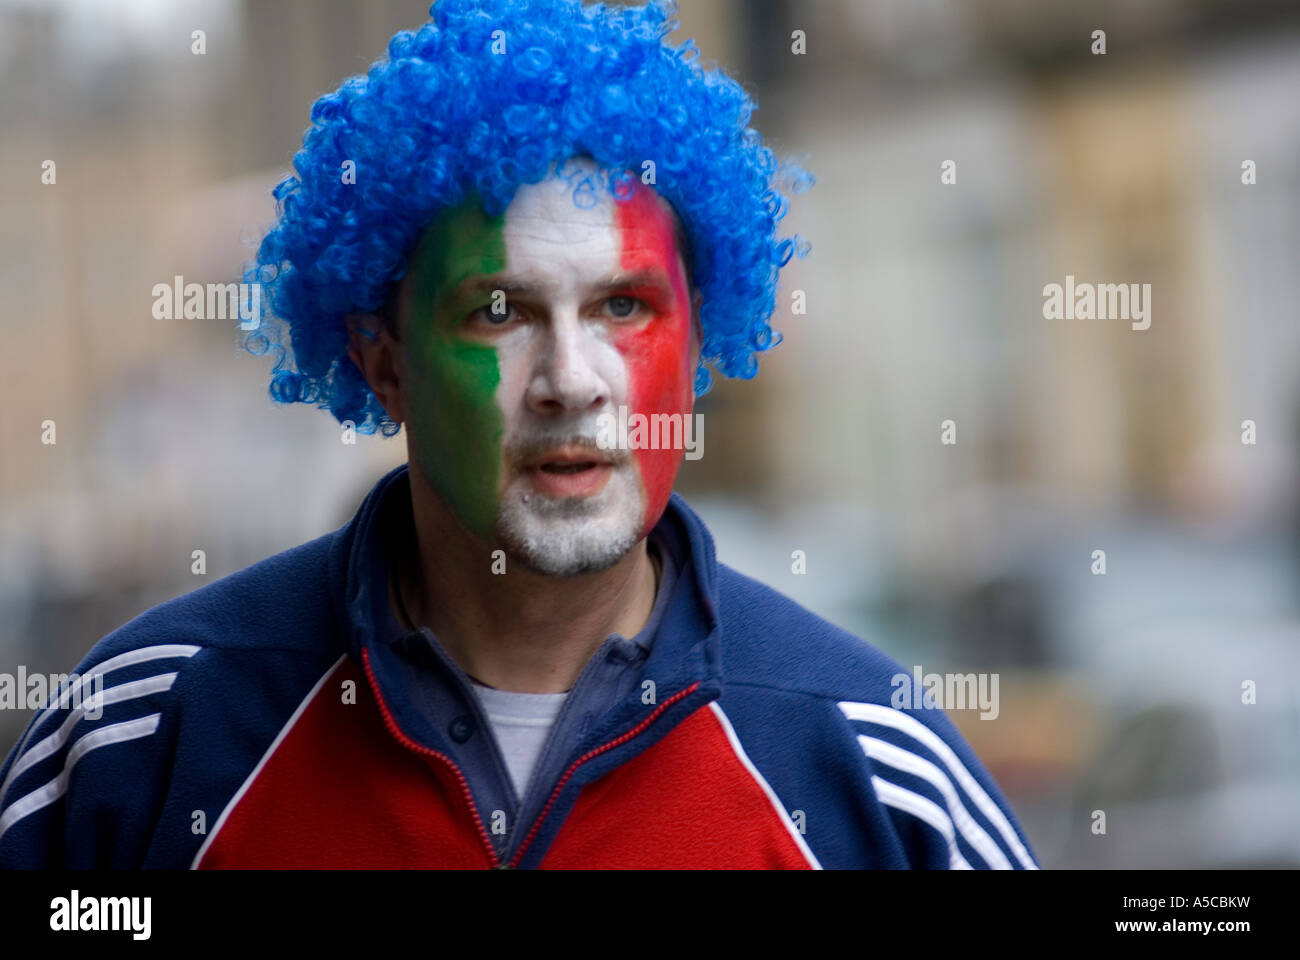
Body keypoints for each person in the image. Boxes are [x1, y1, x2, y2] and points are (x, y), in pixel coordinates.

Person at [0, 0, 1037, 869]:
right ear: (383, 360)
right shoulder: (144, 742)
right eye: (498, 311)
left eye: (624, 307)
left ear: (700, 336)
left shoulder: (872, 766)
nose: (571, 382)